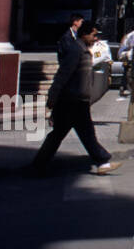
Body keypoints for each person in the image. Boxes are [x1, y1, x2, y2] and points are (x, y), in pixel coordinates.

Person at [28, 22, 121, 176]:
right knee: (62, 134)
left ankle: (102, 161)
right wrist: (52, 98)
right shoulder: (75, 51)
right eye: (93, 35)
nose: (96, 38)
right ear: (84, 34)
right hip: (70, 101)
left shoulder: (84, 51)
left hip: (79, 101)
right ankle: (38, 165)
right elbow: (62, 76)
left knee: (85, 134)